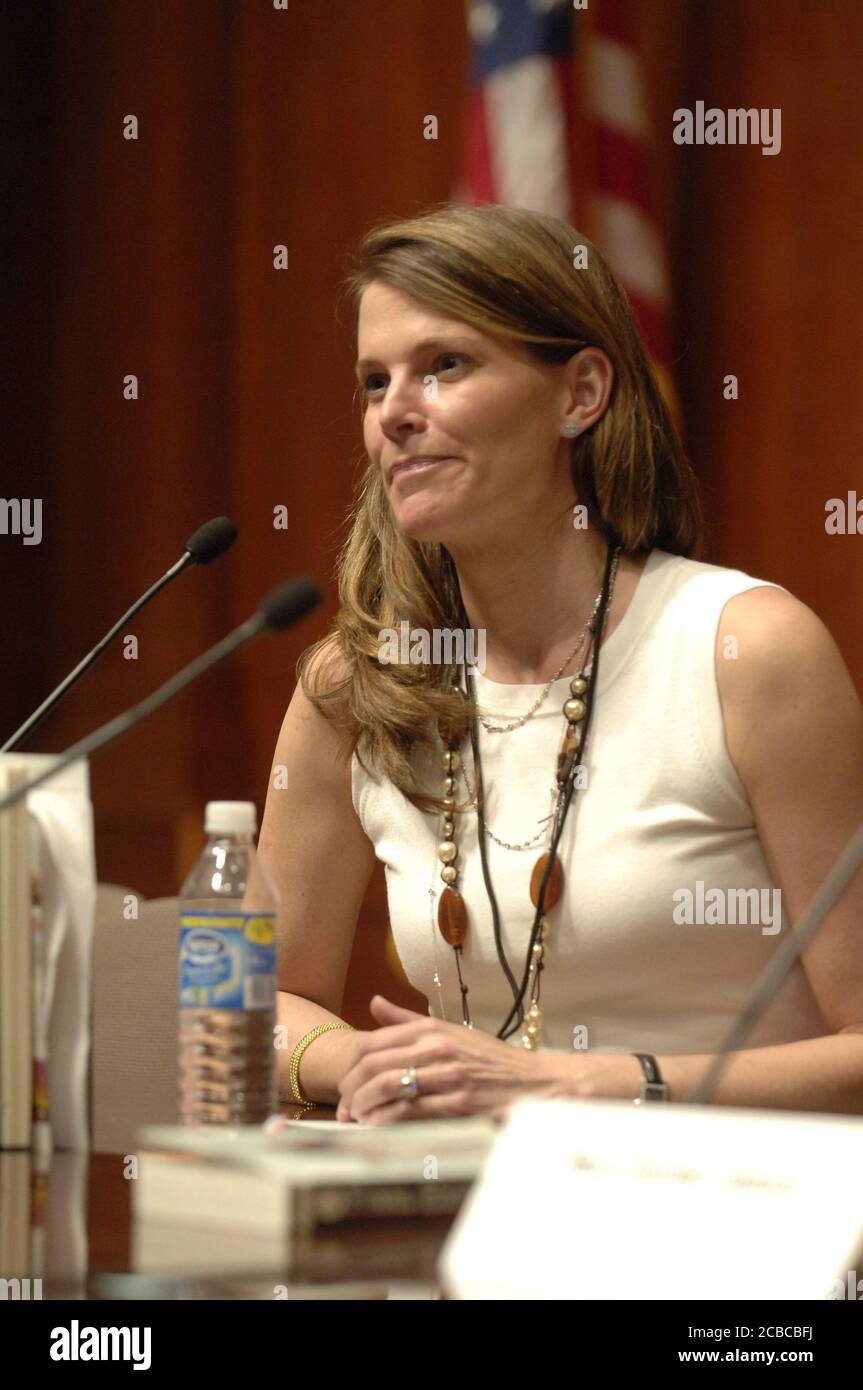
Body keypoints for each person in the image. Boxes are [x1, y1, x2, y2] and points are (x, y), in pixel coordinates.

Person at [257, 202, 863, 1126]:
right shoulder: (357, 688)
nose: (394, 416)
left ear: (580, 393)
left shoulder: (747, 650)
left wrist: (575, 1082)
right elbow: (254, 1005)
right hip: (463, 1228)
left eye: (443, 366)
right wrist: (372, 1063)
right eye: (374, 383)